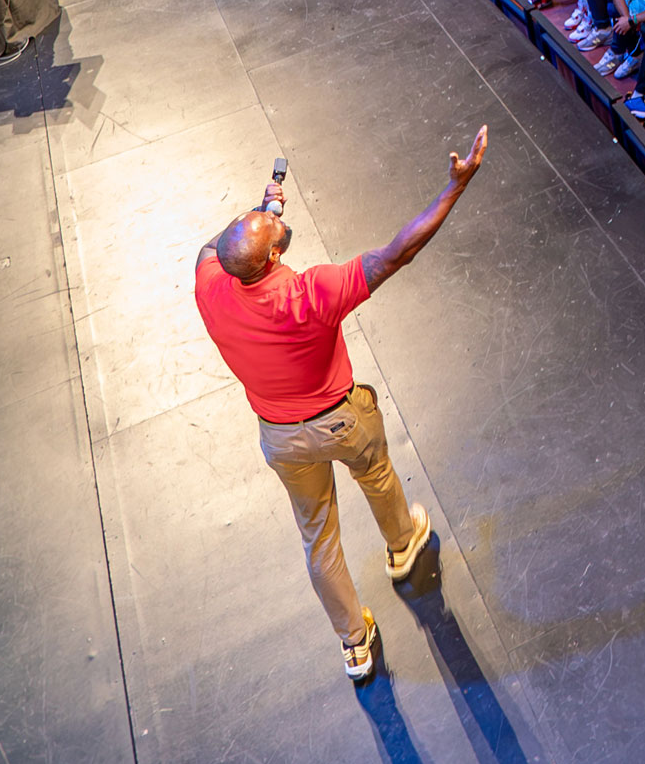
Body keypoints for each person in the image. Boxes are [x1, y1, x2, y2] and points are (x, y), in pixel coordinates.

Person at [192, 127, 489, 682]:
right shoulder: (312, 292)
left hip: (280, 436)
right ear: (275, 254)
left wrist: (257, 215)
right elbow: (397, 253)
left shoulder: (210, 286)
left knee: (318, 536)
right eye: (274, 228)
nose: (279, 220)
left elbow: (214, 249)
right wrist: (454, 188)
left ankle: (354, 643)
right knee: (376, 472)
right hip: (341, 420)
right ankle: (403, 545)